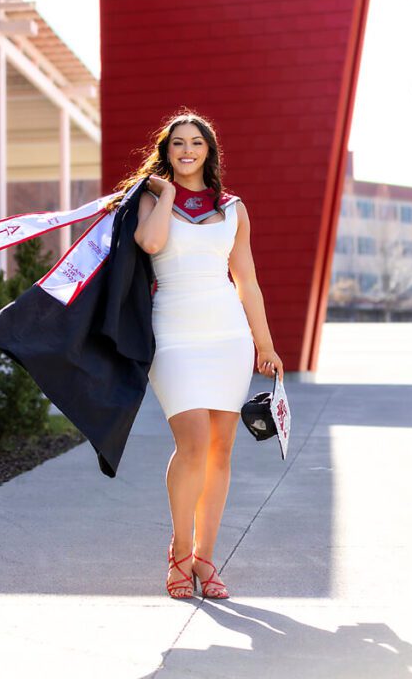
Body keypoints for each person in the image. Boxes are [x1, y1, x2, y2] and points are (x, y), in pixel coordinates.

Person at [108, 109, 284, 600]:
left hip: (228, 335)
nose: (187, 150)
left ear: (209, 152)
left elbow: (246, 281)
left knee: (220, 450)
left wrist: (265, 343)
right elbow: (149, 242)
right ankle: (180, 553)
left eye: (196, 143)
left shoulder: (233, 209)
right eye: (178, 143)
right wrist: (165, 193)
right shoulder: (150, 199)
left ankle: (206, 558)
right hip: (174, 334)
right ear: (167, 152)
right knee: (192, 444)